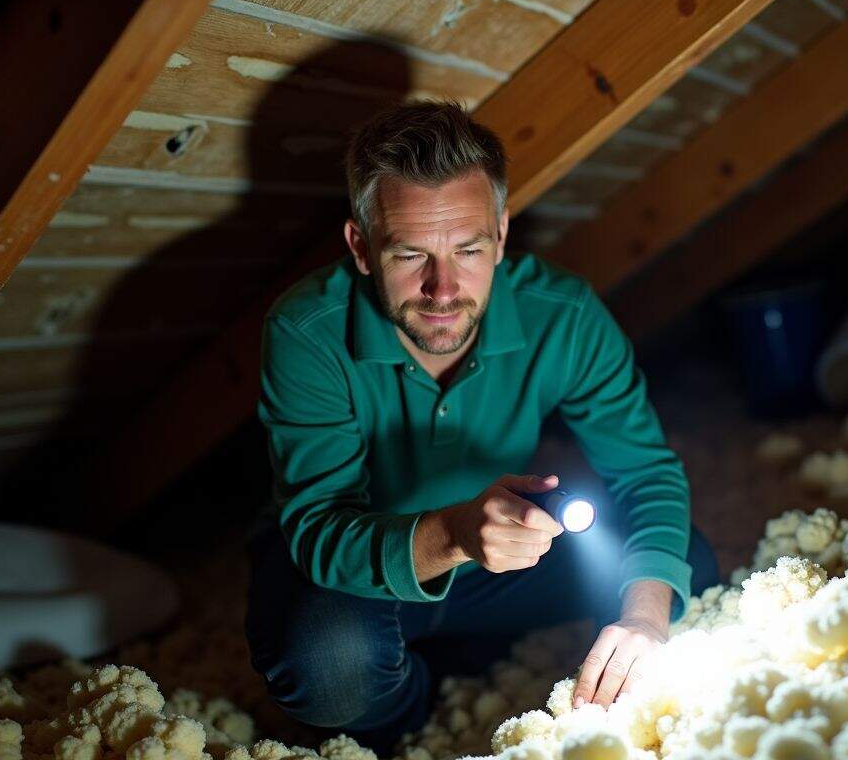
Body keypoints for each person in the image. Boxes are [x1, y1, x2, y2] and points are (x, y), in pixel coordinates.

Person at [244, 101, 719, 750]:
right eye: (410, 254)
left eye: (467, 250)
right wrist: (455, 533)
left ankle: (468, 647)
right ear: (360, 246)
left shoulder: (564, 315)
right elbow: (317, 527)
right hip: (363, 572)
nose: (443, 289)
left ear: (500, 236)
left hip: (503, 563)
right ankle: (410, 712)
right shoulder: (306, 332)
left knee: (681, 561)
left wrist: (642, 621)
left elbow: (646, 472)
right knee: (329, 668)